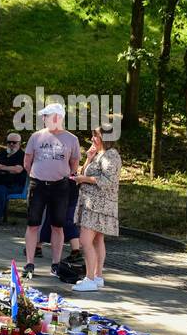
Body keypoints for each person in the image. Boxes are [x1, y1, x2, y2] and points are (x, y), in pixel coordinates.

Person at [22, 103, 80, 278]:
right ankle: (29, 263)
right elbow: (27, 162)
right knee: (33, 224)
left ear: (57, 118)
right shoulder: (36, 137)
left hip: (60, 186)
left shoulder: (71, 139)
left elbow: (74, 165)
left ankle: (55, 264)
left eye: (46, 116)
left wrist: (60, 175)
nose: (43, 119)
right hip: (38, 185)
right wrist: (37, 175)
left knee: (58, 225)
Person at [71, 124, 121, 292]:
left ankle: (90, 279)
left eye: (96, 136)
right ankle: (97, 276)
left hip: (99, 205)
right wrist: (89, 158)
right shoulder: (99, 154)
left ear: (105, 138)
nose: (92, 139)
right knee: (97, 240)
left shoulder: (111, 155)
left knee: (85, 241)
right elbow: (84, 172)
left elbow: (108, 181)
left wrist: (84, 179)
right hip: (91, 203)